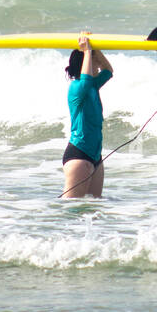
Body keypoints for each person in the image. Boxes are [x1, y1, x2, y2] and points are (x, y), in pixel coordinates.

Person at [61, 32, 113, 198]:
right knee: (71, 210)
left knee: (94, 208)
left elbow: (108, 71)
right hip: (79, 154)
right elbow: (85, 80)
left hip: (95, 156)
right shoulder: (77, 87)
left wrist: (95, 50)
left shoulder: (93, 87)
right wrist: (87, 52)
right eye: (94, 62)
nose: (97, 65)